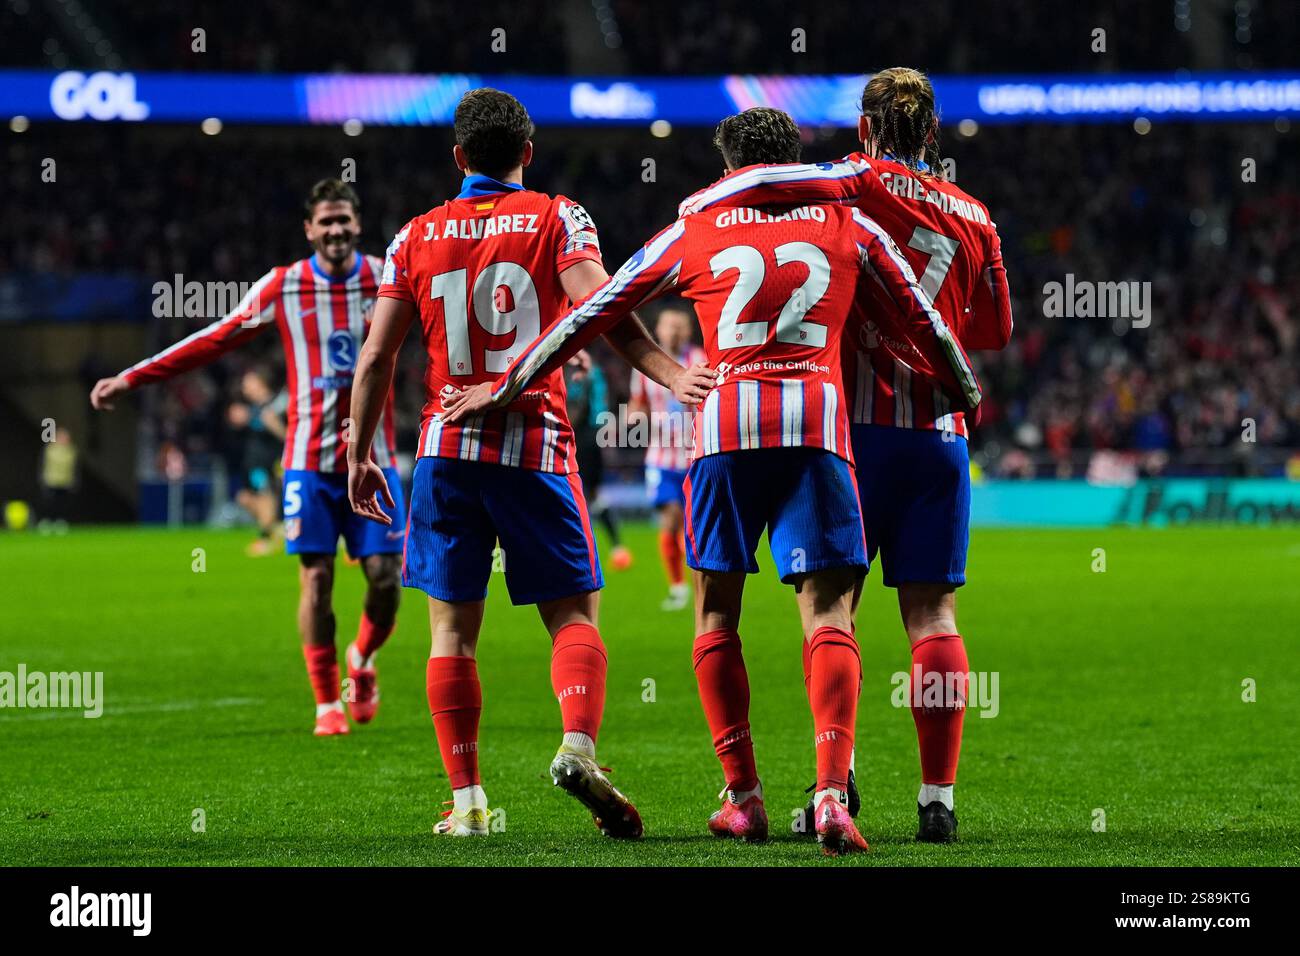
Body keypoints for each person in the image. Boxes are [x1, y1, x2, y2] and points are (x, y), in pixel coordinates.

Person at [444, 106, 981, 855]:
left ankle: (745, 797)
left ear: (730, 166)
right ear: (792, 159)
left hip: (724, 429)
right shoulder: (849, 226)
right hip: (819, 430)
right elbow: (926, 320)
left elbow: (593, 311)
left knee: (716, 614)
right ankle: (831, 795)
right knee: (828, 614)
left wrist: (507, 385)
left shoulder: (696, 226)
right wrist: (963, 385)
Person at [344, 88, 712, 838]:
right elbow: (599, 309)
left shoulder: (414, 234)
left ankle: (471, 802)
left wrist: (357, 454)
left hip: (445, 450)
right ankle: (578, 745)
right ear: (528, 154)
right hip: (534, 445)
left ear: (458, 158)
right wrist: (670, 374)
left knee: (451, 632)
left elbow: (378, 353)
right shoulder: (556, 215)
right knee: (572, 614)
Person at [677, 67, 1014, 842]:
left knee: (834, 612)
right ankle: (938, 799)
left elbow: (763, 211)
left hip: (849, 434)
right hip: (937, 437)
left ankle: (839, 785)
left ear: (864, 129)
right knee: (933, 614)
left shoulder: (840, 185)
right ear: (933, 134)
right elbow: (991, 331)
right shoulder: (976, 215)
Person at [90, 179, 404, 736]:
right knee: (316, 579)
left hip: (373, 457)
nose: (335, 230)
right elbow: (213, 338)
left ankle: (362, 658)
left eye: (344, 220)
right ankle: (327, 702)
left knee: (385, 578)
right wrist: (132, 378)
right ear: (308, 229)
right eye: (324, 222)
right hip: (308, 462)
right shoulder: (285, 287)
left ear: (359, 224)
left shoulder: (389, 279)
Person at [628, 307, 708, 610]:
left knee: (694, 525)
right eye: (667, 326)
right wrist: (634, 416)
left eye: (679, 327)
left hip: (695, 457)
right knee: (671, 519)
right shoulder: (645, 365)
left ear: (687, 331)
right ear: (658, 330)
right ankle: (677, 586)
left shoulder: (699, 359)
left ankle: (700, 581)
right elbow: (640, 402)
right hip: (661, 459)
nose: (673, 332)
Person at [229, 366, 287, 556]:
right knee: (245, 498)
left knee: (266, 496)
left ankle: (265, 539)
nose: (245, 387)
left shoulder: (280, 404)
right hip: (252, 464)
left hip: (271, 463)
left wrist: (273, 424)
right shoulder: (254, 408)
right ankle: (277, 529)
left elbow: (289, 436)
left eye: (249, 382)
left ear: (261, 383)